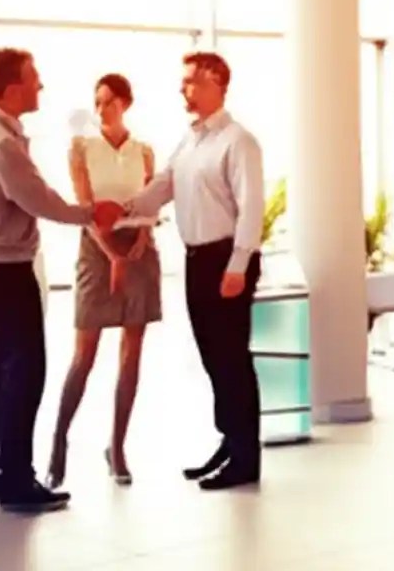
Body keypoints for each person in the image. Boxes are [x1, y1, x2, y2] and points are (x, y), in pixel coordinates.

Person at [0, 47, 123, 512]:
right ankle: (17, 480)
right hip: (2, 275)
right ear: (13, 88)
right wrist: (92, 214)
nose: (40, 86)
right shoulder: (1, 144)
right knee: (24, 373)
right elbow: (39, 200)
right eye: (34, 79)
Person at [123, 51, 264, 491]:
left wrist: (238, 264)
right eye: (183, 82)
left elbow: (252, 207)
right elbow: (162, 186)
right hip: (196, 261)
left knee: (231, 358)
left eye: (190, 82)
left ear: (217, 82)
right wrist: (123, 210)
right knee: (212, 357)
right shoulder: (190, 141)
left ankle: (246, 458)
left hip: (226, 261)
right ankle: (230, 441)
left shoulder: (238, 141)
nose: (183, 90)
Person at [46, 74, 162, 490]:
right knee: (84, 356)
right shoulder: (81, 148)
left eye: (110, 101)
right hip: (97, 251)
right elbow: (85, 206)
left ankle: (117, 447)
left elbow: (148, 202)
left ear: (126, 103)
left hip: (139, 251)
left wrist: (140, 243)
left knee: (131, 357)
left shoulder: (144, 151)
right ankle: (58, 444)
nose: (102, 108)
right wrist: (113, 254)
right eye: (97, 102)